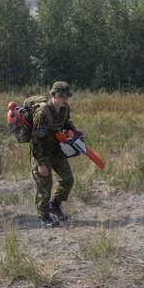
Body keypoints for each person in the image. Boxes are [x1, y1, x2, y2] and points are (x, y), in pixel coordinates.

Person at [30, 81, 82, 228]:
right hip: (42, 152)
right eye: (62, 97)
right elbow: (36, 139)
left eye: (67, 97)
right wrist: (40, 163)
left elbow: (65, 123)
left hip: (56, 149)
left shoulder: (65, 109)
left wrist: (75, 131)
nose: (65, 100)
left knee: (68, 179)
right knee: (45, 185)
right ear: (54, 95)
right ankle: (44, 216)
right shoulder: (42, 113)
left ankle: (55, 204)